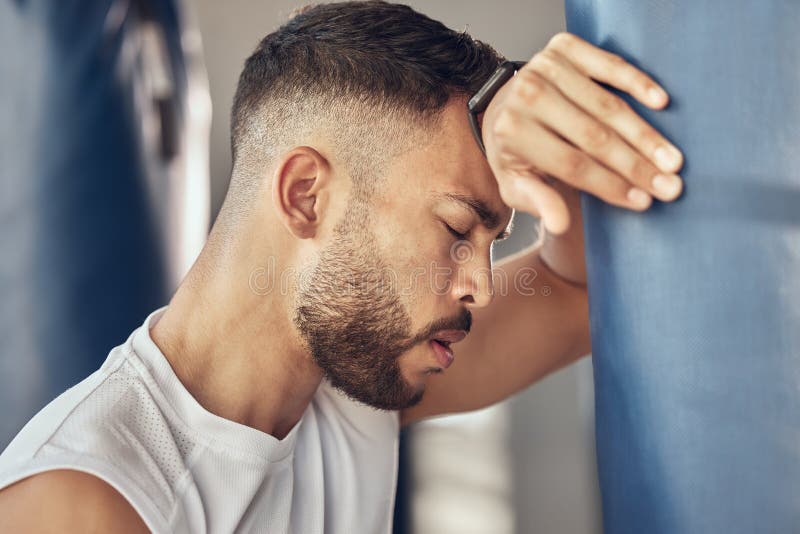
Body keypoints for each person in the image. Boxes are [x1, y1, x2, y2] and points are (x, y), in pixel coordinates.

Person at [0, 1, 683, 532]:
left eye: (494, 240)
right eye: (455, 229)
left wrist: (518, 103)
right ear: (307, 196)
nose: (477, 282)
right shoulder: (85, 502)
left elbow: (582, 291)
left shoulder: (348, 390)